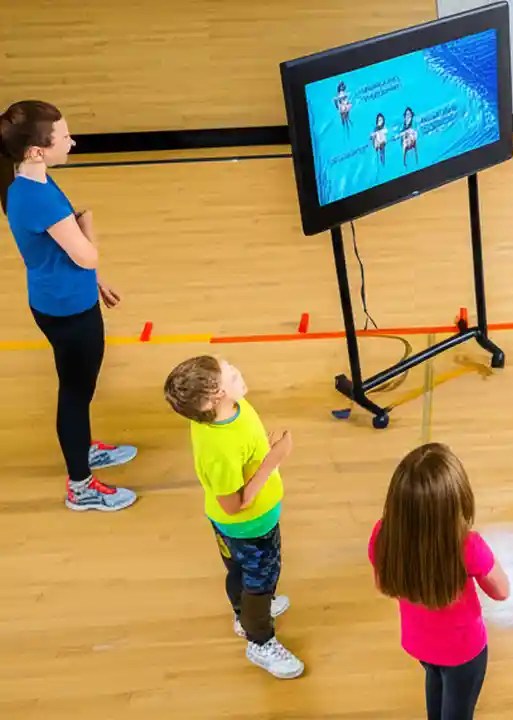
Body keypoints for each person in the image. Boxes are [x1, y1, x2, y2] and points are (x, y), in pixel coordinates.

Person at [1, 99, 137, 511]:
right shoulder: (37, 197)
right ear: (36, 150)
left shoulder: (29, 181)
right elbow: (85, 254)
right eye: (63, 137)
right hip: (68, 310)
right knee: (76, 393)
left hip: (60, 297)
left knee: (79, 386)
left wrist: (93, 281)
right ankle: (81, 485)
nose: (72, 142)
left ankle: (83, 448)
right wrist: (89, 226)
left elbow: (59, 250)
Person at [163, 356, 302, 679]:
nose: (237, 370)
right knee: (259, 581)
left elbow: (245, 451)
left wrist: (260, 453)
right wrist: (274, 459)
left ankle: (245, 614)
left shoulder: (232, 410)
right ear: (215, 398)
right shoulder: (219, 448)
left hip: (248, 525)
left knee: (242, 573)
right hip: (249, 527)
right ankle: (260, 641)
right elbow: (233, 504)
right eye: (230, 374)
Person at [370, 443, 511, 720]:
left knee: (435, 681)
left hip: (419, 643)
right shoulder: (468, 547)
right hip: (464, 652)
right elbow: (502, 591)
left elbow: (381, 584)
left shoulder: (382, 536)